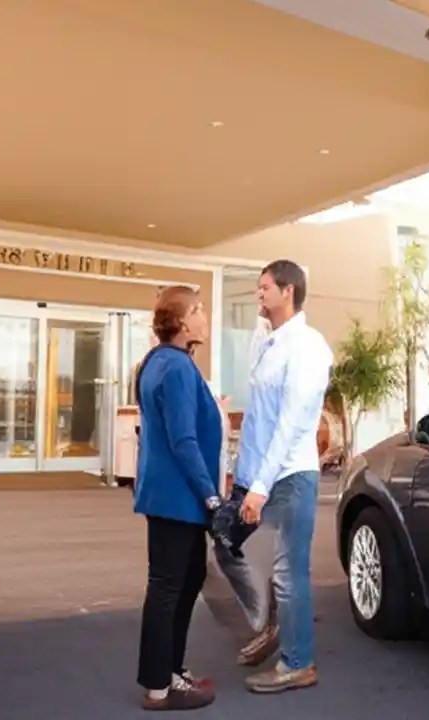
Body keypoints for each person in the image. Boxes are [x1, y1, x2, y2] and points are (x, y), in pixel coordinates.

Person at [229, 259, 333, 694]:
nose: (259, 294)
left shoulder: (307, 346)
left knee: (291, 572)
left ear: (288, 291)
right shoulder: (271, 341)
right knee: (226, 545)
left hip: (288, 474)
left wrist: (259, 486)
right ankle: (271, 626)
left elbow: (291, 423)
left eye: (265, 287)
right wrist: (245, 477)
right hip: (256, 472)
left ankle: (298, 662)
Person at [133, 286, 225, 711]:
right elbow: (184, 441)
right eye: (200, 310)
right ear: (183, 321)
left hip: (168, 497)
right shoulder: (177, 369)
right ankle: (158, 686)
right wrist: (211, 498)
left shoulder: (157, 363)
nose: (205, 316)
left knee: (184, 582)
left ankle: (170, 673)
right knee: (170, 587)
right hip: (179, 499)